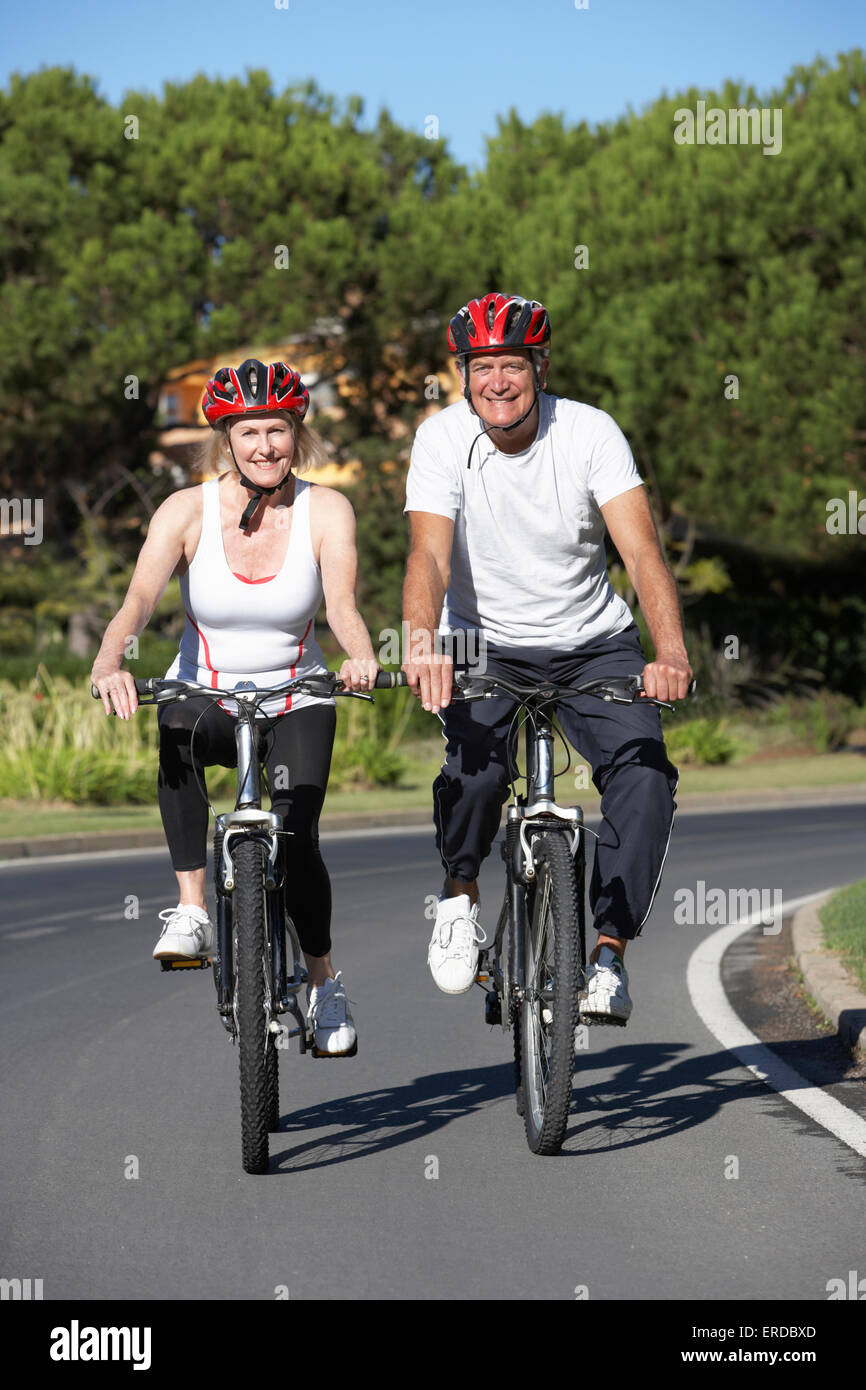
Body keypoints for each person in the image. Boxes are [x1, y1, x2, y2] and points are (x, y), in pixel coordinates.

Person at [402, 293, 693, 1023]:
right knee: (474, 773)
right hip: (484, 642)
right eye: (482, 367)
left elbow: (641, 553)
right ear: (463, 374)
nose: (497, 381)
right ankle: (460, 898)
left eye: (512, 365)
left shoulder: (589, 432)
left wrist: (672, 652)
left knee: (645, 775)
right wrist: (420, 643)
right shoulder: (440, 441)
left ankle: (606, 955)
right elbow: (429, 556)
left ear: (540, 366)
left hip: (591, 644)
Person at [91, 359, 379, 1055]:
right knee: (177, 728)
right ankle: (192, 908)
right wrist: (110, 661)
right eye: (249, 432)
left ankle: (323, 982)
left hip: (297, 695)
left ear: (296, 433)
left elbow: (340, 605)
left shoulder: (326, 509)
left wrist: (362, 656)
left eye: (276, 431)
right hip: (209, 696)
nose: (264, 447)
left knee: (297, 834)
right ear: (226, 437)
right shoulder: (185, 511)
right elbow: (137, 602)